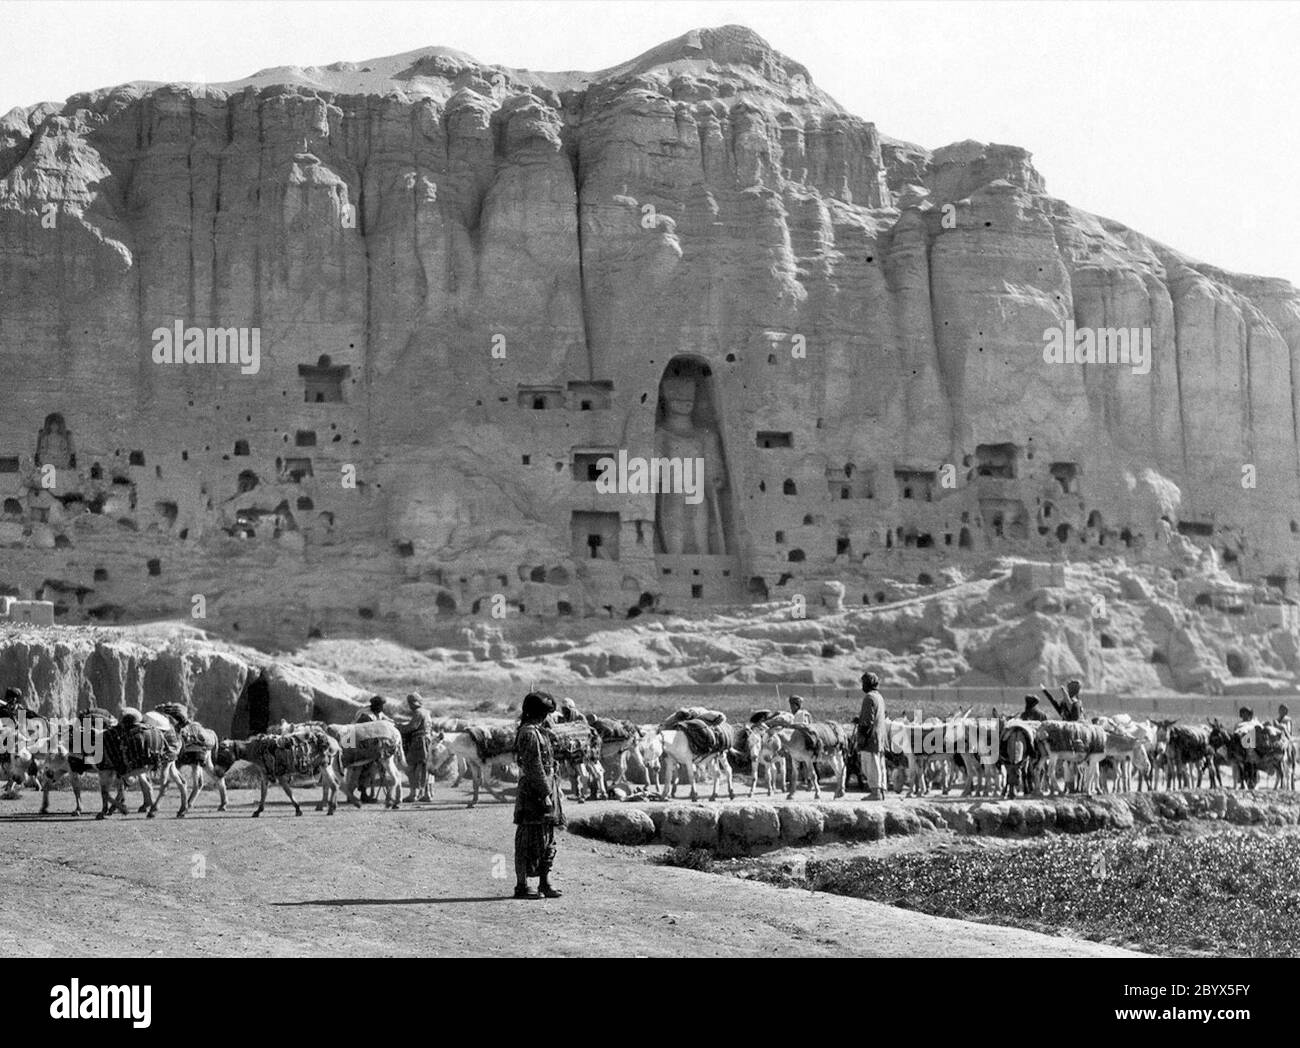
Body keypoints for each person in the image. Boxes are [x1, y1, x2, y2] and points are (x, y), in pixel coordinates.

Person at [513, 691, 565, 900]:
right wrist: (545, 793)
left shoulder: (539, 732)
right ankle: (522, 886)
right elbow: (534, 766)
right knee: (528, 839)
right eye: (545, 713)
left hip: (546, 786)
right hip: (533, 792)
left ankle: (545, 882)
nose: (547, 717)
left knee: (548, 838)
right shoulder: (528, 734)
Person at [856, 671, 887, 800]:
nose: (862, 685)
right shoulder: (879, 697)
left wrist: (862, 735)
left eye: (863, 682)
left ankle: (875, 792)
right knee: (879, 764)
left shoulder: (869, 697)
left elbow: (868, 720)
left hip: (871, 737)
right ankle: (881, 791)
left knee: (871, 764)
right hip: (879, 735)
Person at [401, 693, 435, 802]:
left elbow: (412, 727)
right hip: (428, 740)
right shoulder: (426, 712)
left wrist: (399, 727)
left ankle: (413, 794)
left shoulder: (418, 712)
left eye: (410, 703)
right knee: (425, 768)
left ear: (412, 703)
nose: (409, 706)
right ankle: (428, 793)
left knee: (412, 766)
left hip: (419, 742)